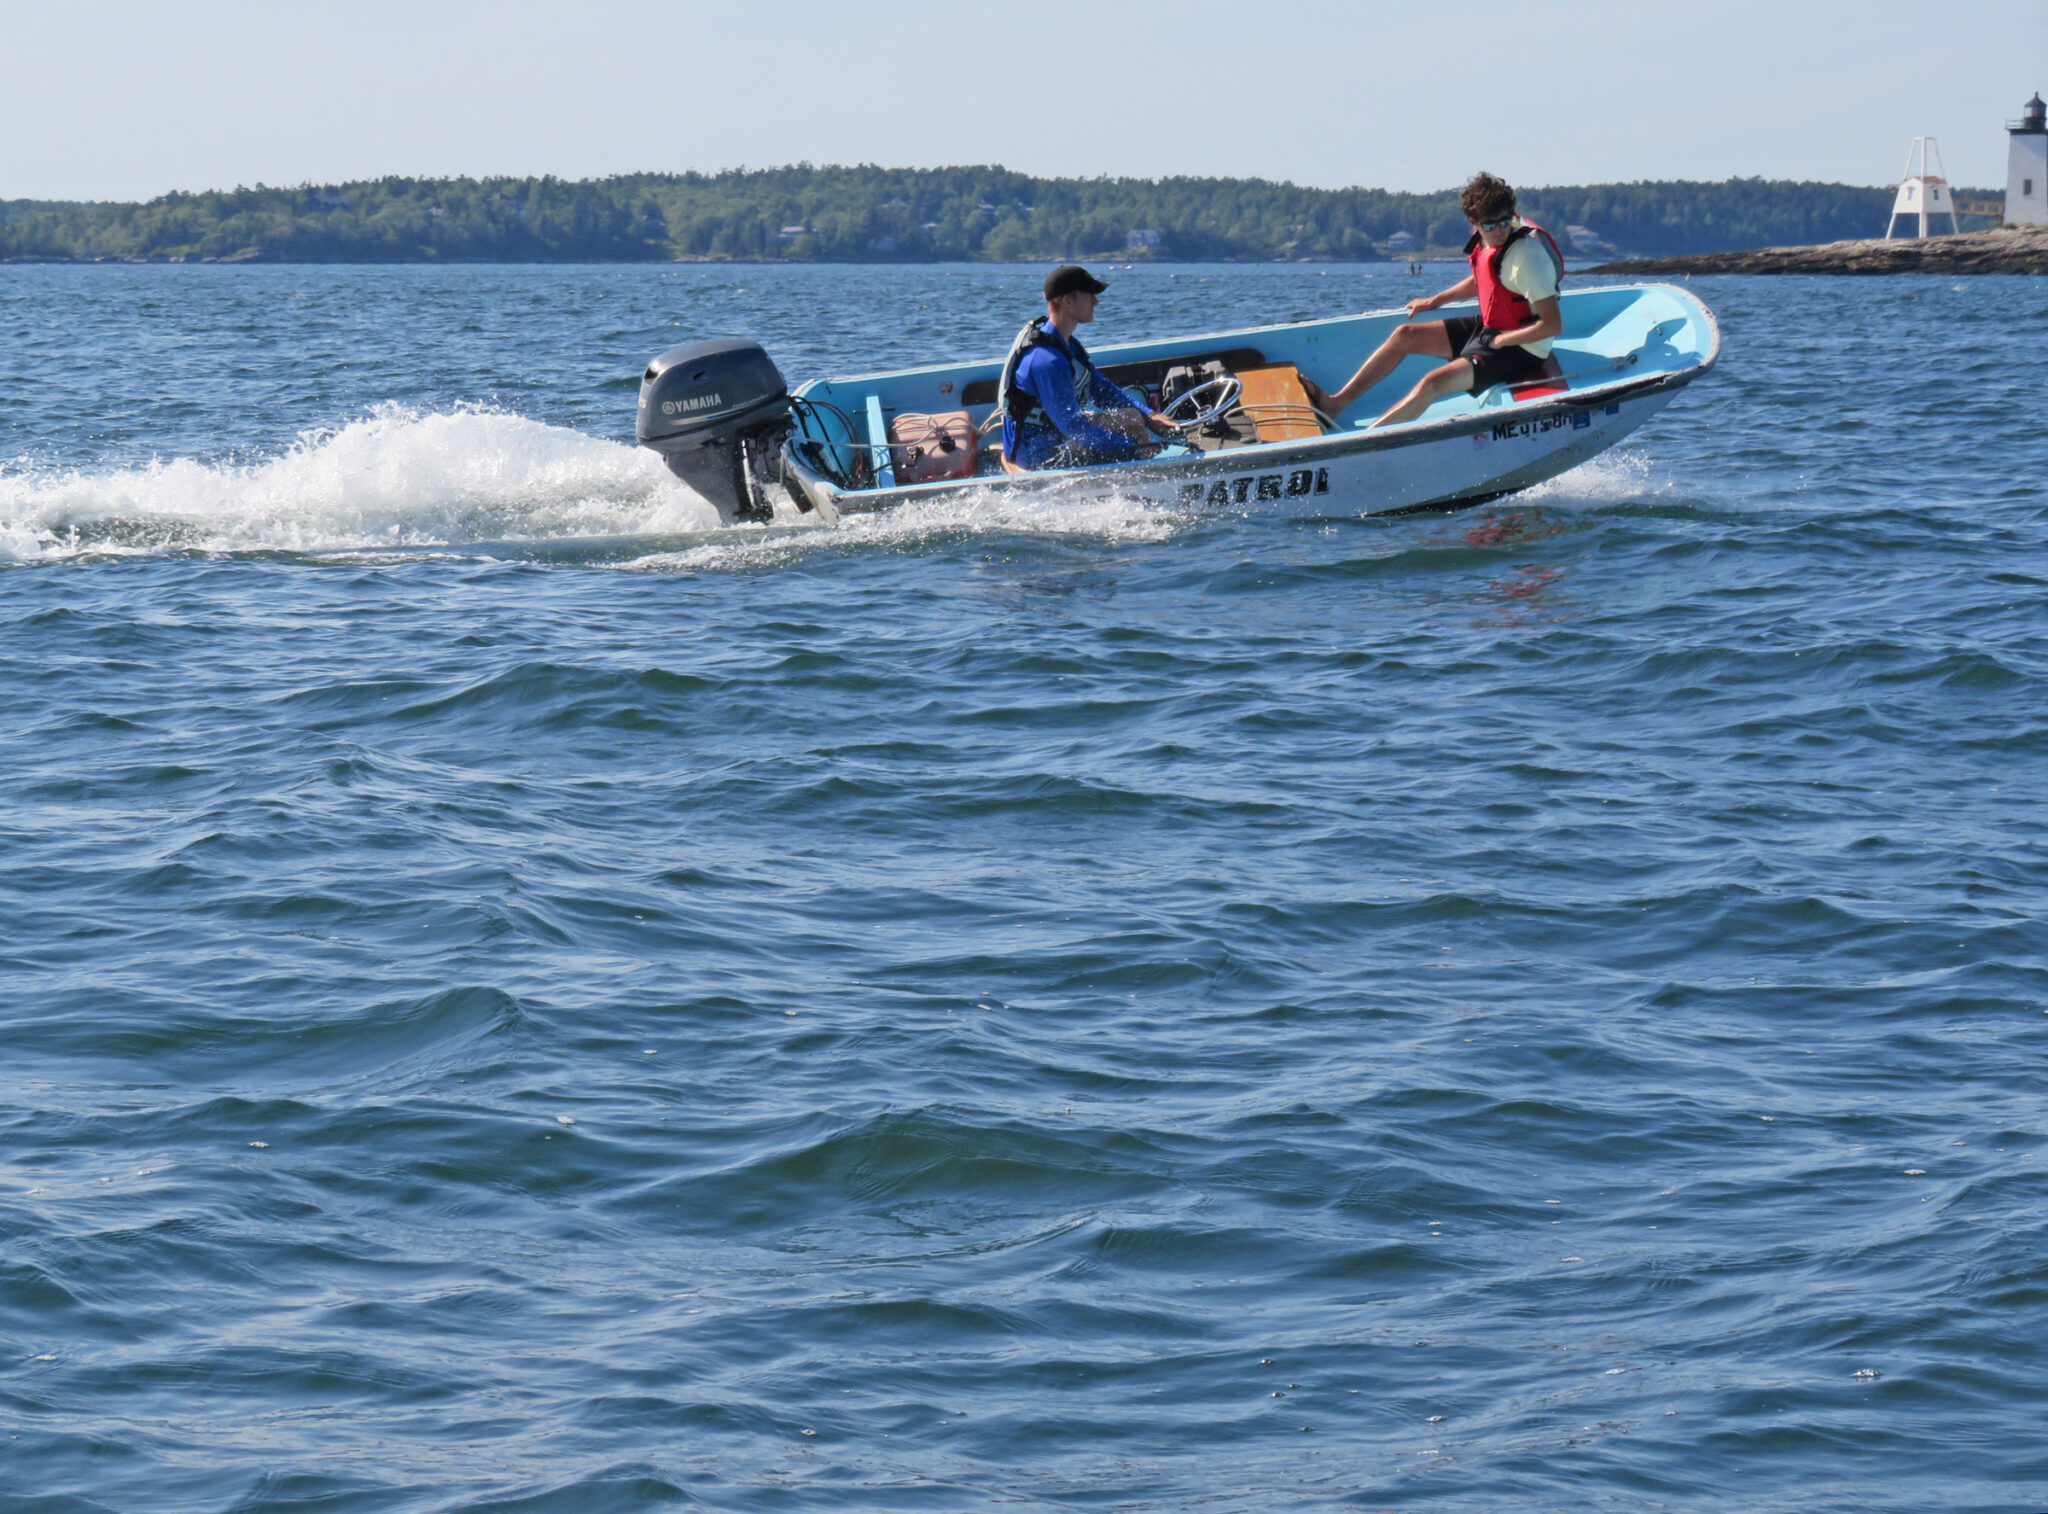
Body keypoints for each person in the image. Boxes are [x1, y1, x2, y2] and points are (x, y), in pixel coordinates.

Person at [1308, 173, 1565, 429]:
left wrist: (1500, 341)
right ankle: (1335, 404)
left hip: (1524, 348)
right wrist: (1435, 300)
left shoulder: (1527, 258)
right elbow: (1484, 280)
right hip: (1492, 329)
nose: (1499, 230)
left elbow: (1551, 326)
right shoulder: (1489, 244)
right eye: (1490, 225)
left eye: (1505, 221)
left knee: (1432, 383)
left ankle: (1361, 444)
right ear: (1473, 221)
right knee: (1404, 335)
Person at [1000, 265, 1177, 470]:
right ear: (1068, 301)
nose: (1096, 301)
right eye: (1090, 295)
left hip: (1058, 435)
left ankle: (1141, 471)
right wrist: (1130, 446)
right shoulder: (1046, 361)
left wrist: (1149, 416)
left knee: (1132, 418)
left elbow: (1101, 389)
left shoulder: (1066, 345)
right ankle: (1141, 478)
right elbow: (1074, 428)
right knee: (1130, 439)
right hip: (1039, 456)